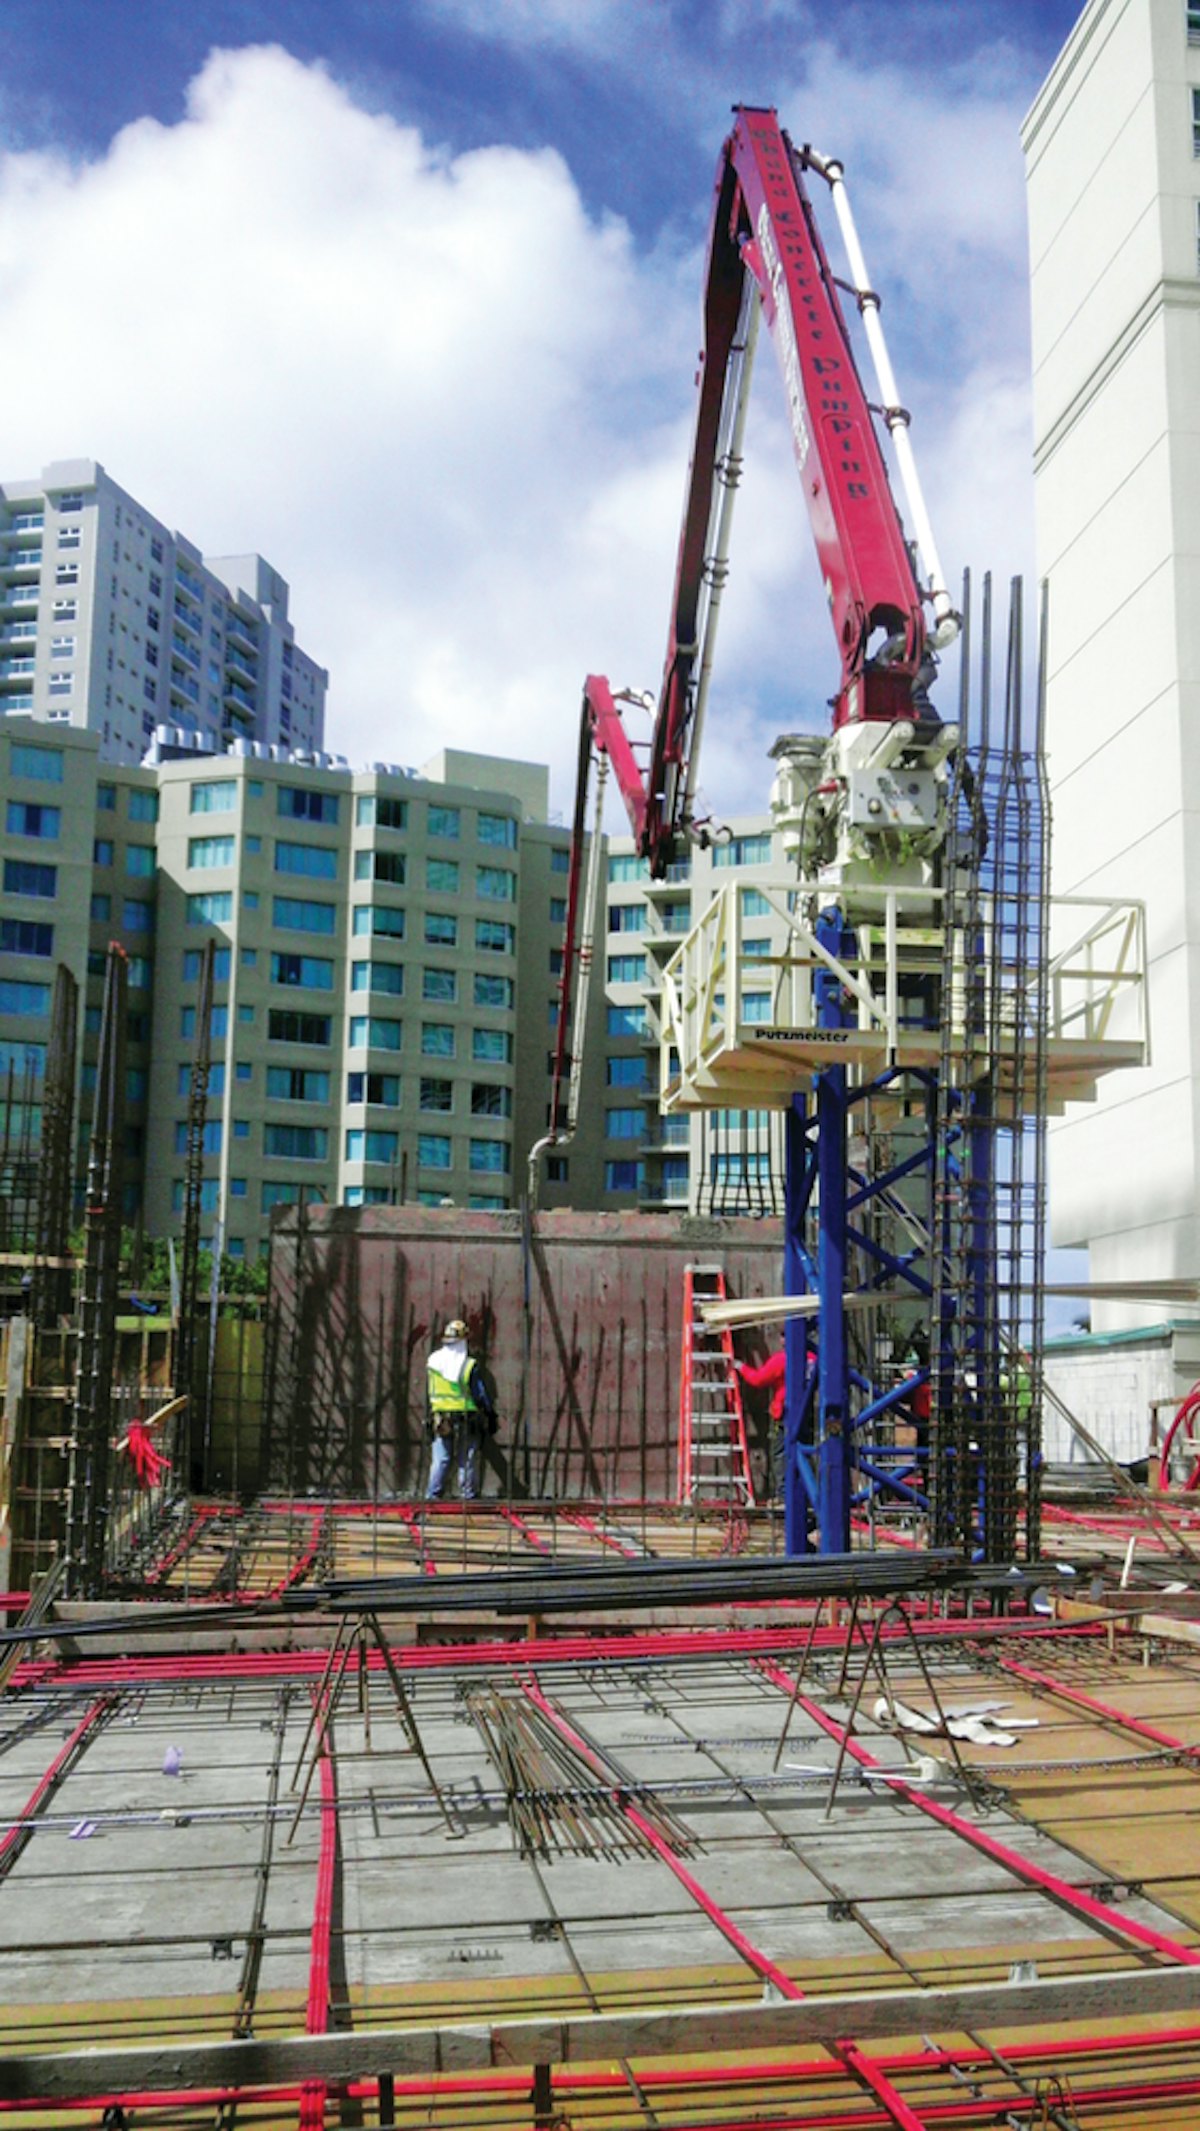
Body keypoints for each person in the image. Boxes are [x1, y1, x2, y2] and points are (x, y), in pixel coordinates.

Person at [425, 1318, 497, 1501]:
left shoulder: (433, 1361)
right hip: (466, 1417)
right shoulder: (467, 1365)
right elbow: (480, 1394)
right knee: (467, 1459)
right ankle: (468, 1496)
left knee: (441, 1459)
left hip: (440, 1418)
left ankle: (432, 1496)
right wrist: (490, 1414)